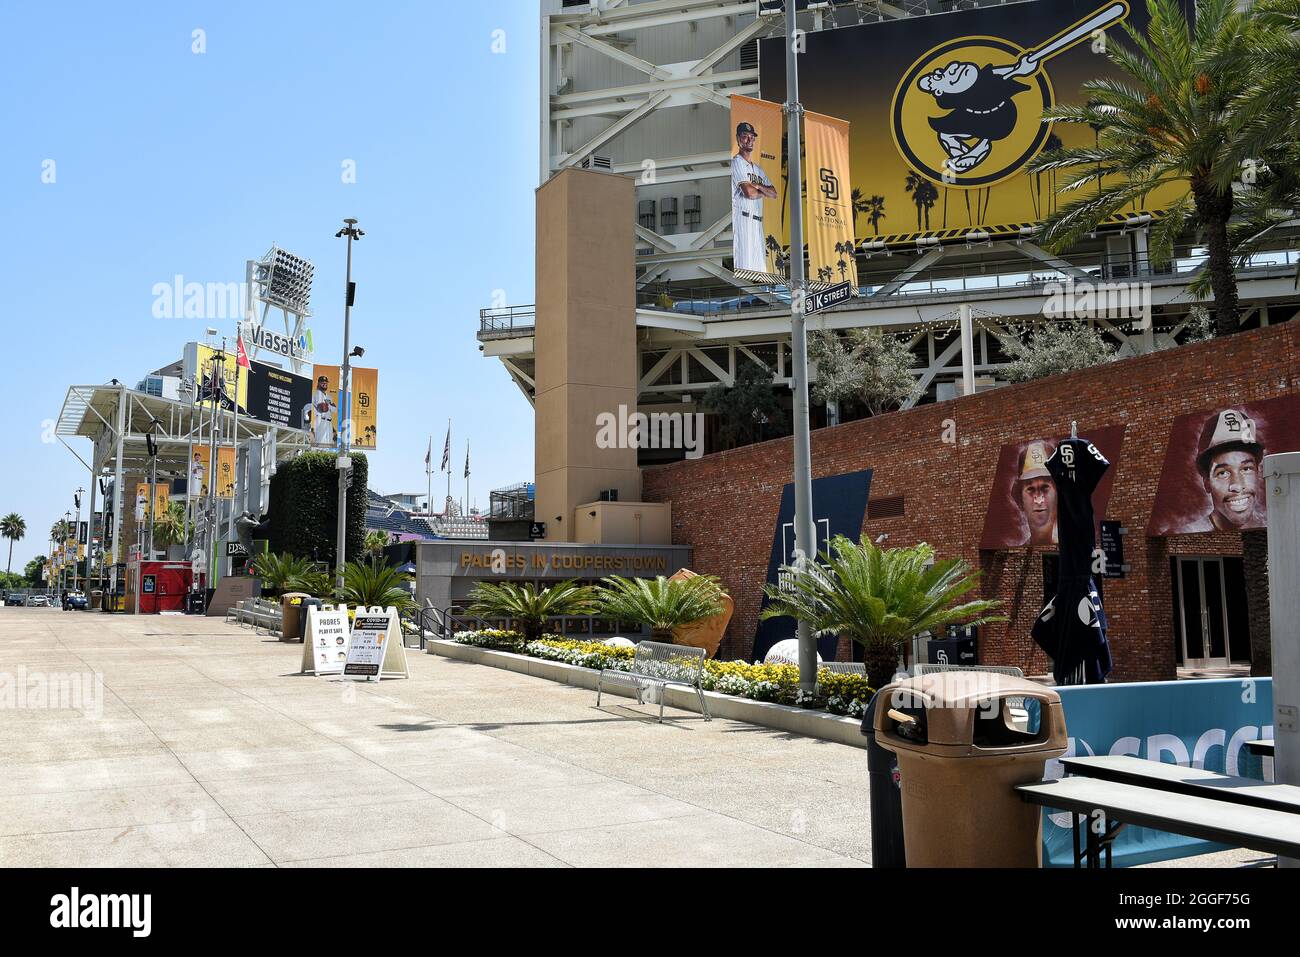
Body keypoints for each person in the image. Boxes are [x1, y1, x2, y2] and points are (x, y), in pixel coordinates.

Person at [1182, 409, 1266, 532]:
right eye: (1223, 473)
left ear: (1258, 474)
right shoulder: (1187, 531)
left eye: (1246, 469)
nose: (1237, 485)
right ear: (1207, 483)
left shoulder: (1280, 525)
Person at [731, 121, 777, 275]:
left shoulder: (757, 169)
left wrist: (758, 186)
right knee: (745, 269)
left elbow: (774, 193)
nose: (749, 140)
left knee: (760, 270)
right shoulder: (736, 163)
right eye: (745, 136)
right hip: (743, 220)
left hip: (758, 223)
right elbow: (748, 193)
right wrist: (762, 191)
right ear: (738, 139)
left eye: (752, 137)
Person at [1014, 440, 1058, 546]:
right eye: (1030, 489)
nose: (1039, 500)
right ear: (1020, 499)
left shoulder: (1074, 543)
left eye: (1045, 487)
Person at [303, 375, 336, 446]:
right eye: (322, 383)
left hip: (329, 422)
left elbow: (335, 410)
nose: (324, 384)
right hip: (320, 421)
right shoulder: (316, 393)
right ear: (318, 383)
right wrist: (329, 405)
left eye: (326, 383)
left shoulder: (329, 396)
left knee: (329, 444)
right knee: (321, 443)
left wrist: (328, 405)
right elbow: (322, 408)